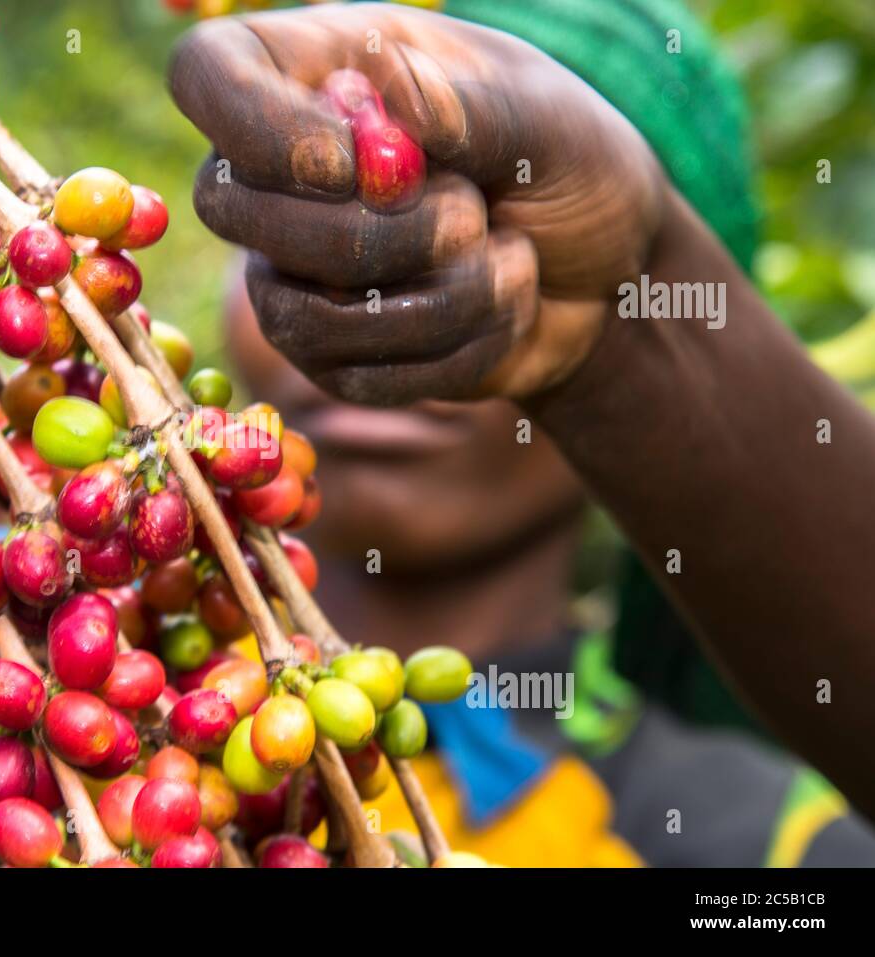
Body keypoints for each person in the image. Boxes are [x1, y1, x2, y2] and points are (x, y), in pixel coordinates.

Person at [173, 1, 875, 862]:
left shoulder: (767, 843)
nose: (377, 302)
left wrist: (615, 336)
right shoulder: (16, 661)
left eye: (477, 240)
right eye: (306, 238)